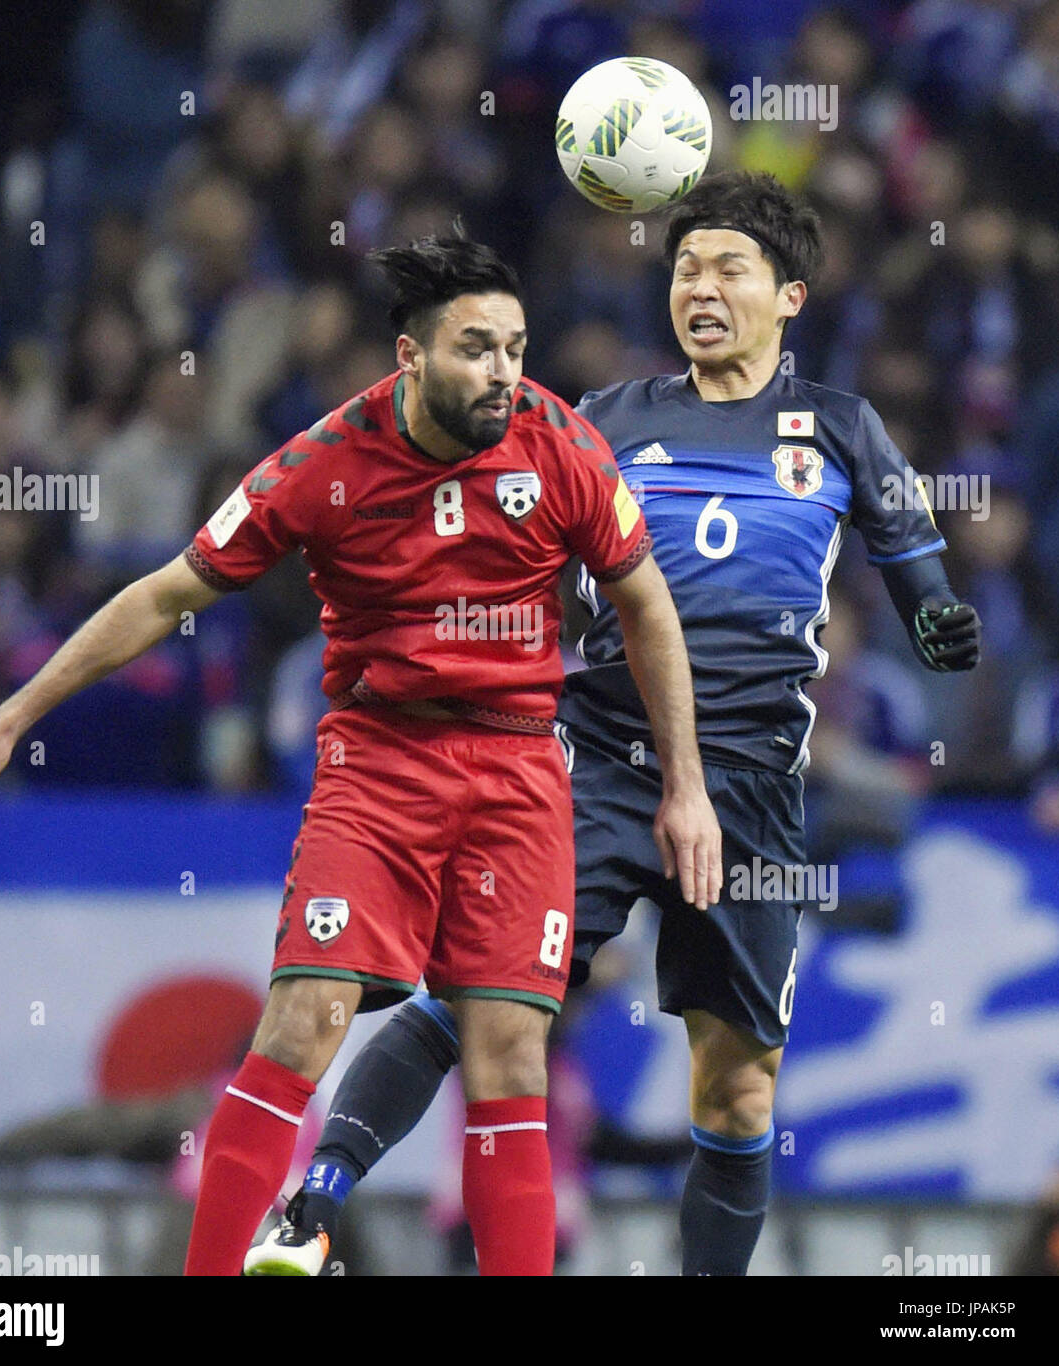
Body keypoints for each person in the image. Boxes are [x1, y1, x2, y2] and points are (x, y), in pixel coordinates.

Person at [0, 233, 721, 1278]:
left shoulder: (562, 446)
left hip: (522, 767)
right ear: (410, 357)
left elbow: (647, 608)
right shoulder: (323, 466)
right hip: (380, 763)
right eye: (477, 349)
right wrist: (10, 717)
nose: (503, 374)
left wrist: (688, 788)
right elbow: (167, 594)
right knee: (306, 1019)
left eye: (516, 349)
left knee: (511, 1051)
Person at [259, 172, 982, 1278]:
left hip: (749, 787)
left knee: (738, 1090)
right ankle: (313, 1202)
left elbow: (914, 558)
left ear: (789, 294)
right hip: (593, 764)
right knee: (482, 998)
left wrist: (936, 611)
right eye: (686, 266)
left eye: (728, 267)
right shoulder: (605, 419)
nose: (700, 285)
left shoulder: (839, 426)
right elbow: (503, 535)